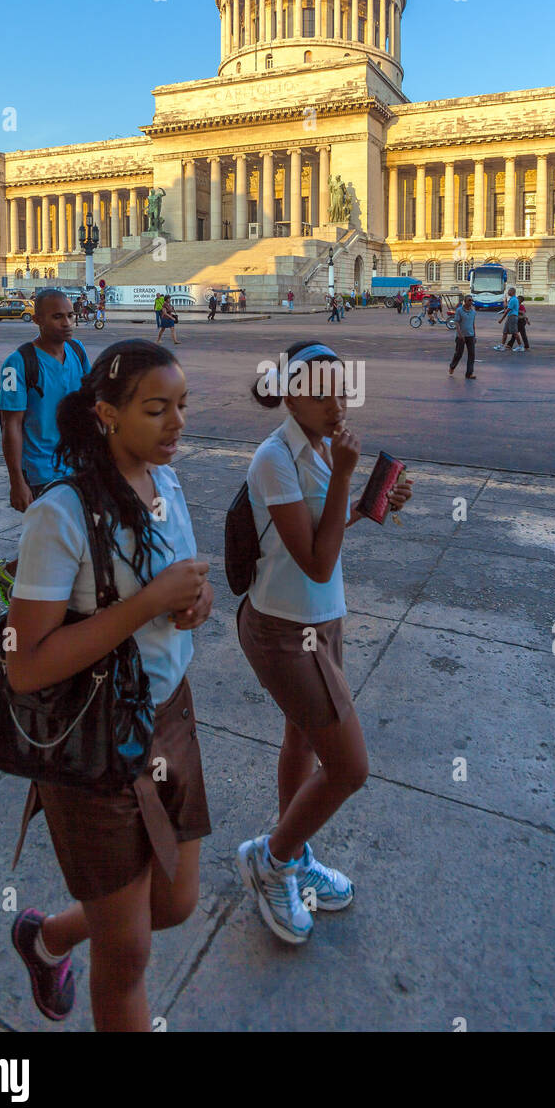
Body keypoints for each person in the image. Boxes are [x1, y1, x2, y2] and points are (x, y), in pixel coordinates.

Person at [6, 339, 213, 1031]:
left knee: (176, 904)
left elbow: (176, 595)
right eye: (157, 409)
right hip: (96, 743)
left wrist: (191, 606)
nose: (177, 423)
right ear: (106, 415)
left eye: (182, 406)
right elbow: (26, 663)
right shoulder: (59, 515)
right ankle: (73, 941)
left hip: (169, 716)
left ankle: (50, 935)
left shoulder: (168, 484)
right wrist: (150, 603)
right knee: (128, 957)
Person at [236, 340, 412, 943]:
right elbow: (315, 559)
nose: (338, 402)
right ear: (292, 395)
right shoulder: (273, 457)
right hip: (285, 630)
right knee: (350, 767)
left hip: (321, 620)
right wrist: (344, 476)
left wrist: (368, 502)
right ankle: (273, 858)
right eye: (323, 391)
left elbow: (322, 532)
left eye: (342, 389)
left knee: (301, 740)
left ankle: (296, 853)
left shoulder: (314, 447)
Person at [0, 290, 92, 607]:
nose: (67, 323)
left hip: (77, 462)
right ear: (37, 320)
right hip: (40, 468)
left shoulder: (77, 351)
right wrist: (16, 480)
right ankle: (17, 580)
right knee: (53, 533)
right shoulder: (18, 363)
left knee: (65, 533)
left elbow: (88, 403)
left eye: (70, 315)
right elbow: (11, 426)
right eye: (57, 316)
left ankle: (18, 574)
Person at [448, 294, 477, 380]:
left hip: (470, 335)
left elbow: (473, 324)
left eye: (471, 300)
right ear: (465, 301)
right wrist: (460, 334)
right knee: (459, 353)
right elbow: (456, 323)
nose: (471, 302)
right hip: (461, 336)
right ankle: (452, 366)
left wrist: (475, 335)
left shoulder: (473, 312)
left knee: (472, 354)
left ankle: (469, 373)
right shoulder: (459, 310)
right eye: (469, 300)